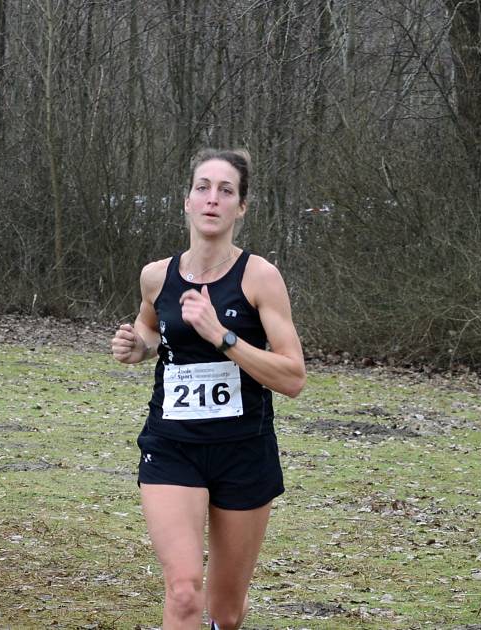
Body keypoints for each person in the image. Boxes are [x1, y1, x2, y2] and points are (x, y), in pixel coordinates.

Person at [110, 148, 306, 630]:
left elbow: (292, 377)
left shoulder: (260, 277)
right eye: (203, 188)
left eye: (226, 190)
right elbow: (151, 327)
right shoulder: (157, 276)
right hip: (172, 445)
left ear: (241, 207)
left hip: (243, 451)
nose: (212, 199)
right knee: (183, 593)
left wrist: (223, 336)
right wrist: (139, 346)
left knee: (227, 614)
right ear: (187, 201)